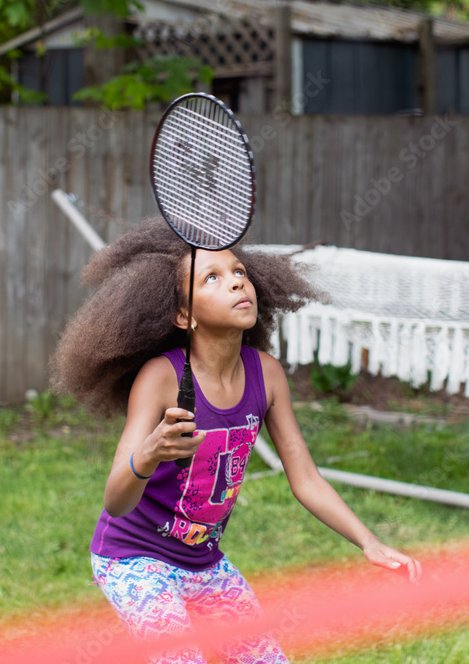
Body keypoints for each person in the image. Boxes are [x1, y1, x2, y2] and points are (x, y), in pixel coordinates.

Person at [51, 220, 421, 663]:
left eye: (239, 272)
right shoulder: (161, 378)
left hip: (203, 563)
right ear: (184, 316)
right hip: (134, 557)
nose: (236, 283)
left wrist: (368, 541)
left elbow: (303, 477)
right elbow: (115, 501)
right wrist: (148, 454)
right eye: (213, 278)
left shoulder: (266, 375)